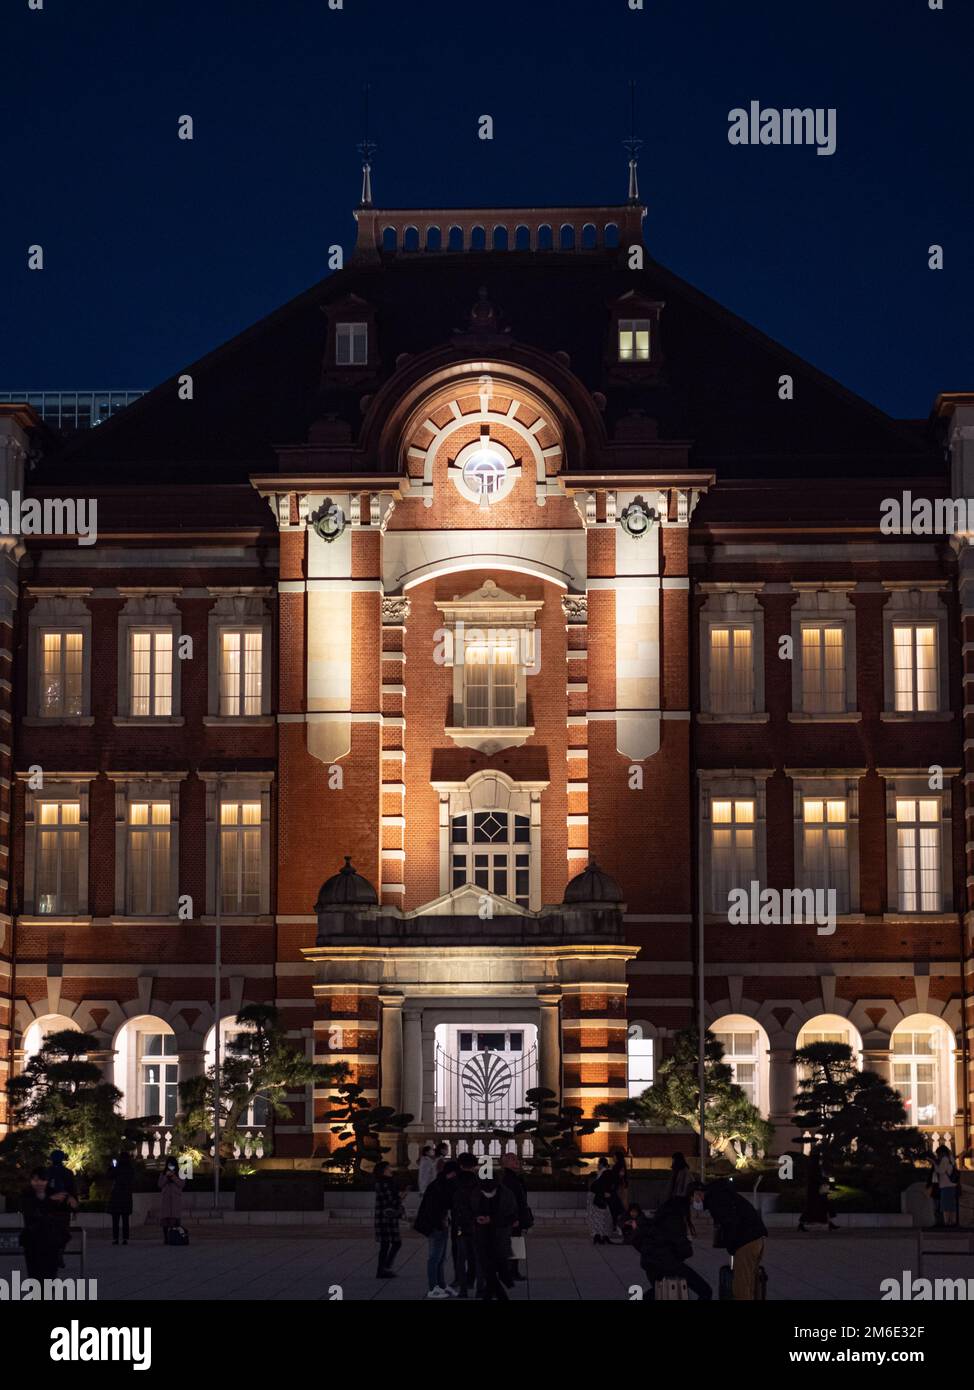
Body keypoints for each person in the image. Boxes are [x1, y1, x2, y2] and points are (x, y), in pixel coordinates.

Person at [632, 1195, 713, 1300]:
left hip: (650, 1263)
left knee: (660, 1290)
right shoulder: (674, 1219)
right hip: (668, 1263)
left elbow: (637, 1241)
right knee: (705, 1291)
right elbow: (683, 1248)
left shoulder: (656, 1221)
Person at [698, 1179, 767, 1300]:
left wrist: (731, 1245)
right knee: (750, 1283)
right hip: (757, 1239)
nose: (694, 1203)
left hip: (746, 1242)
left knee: (741, 1287)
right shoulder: (723, 1194)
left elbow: (729, 1223)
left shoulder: (716, 1199)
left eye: (692, 1198)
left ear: (699, 1193)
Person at [414, 1159, 458, 1298]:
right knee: (435, 1258)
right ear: (452, 1173)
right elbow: (436, 1207)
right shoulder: (441, 1186)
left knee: (440, 1258)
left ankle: (441, 1285)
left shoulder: (440, 1183)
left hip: (439, 1224)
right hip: (436, 1225)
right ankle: (433, 1288)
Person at [470, 1174, 517, 1301]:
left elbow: (512, 1217)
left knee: (496, 1267)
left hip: (500, 1236)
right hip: (481, 1237)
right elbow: (468, 1212)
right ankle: (500, 1296)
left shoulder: (507, 1195)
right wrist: (476, 1218)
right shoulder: (475, 1193)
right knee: (487, 1269)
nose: (487, 1194)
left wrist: (492, 1220)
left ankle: (489, 1295)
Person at [19, 1168, 64, 1280]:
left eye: (42, 1180)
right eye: (35, 1180)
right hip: (33, 1241)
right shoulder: (27, 1194)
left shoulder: (53, 1193)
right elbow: (29, 1212)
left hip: (51, 1241)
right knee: (35, 1276)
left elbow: (60, 1213)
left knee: (49, 1276)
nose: (38, 1183)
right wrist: (47, 1201)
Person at [450, 1152, 481, 1297]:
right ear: (474, 1165)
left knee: (460, 1257)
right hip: (476, 1223)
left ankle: (462, 1288)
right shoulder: (479, 1181)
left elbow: (448, 1201)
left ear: (460, 1165)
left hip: (459, 1223)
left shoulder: (453, 1181)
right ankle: (475, 1283)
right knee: (476, 1255)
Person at [500, 1152, 532, 1282]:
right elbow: (509, 1201)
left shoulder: (514, 1178)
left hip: (516, 1217)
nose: (517, 1161)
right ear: (506, 1163)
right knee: (512, 1244)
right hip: (512, 1219)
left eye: (516, 1159)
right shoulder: (508, 1179)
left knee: (516, 1243)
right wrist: (513, 1218)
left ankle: (513, 1271)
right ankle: (510, 1272)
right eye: (513, 1160)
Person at [45, 1149, 78, 1268]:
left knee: (49, 1233)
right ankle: (59, 1253)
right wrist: (74, 1208)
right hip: (64, 1208)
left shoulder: (46, 1172)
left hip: (49, 1207)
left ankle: (53, 1255)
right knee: (64, 1233)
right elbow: (72, 1190)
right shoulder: (67, 1173)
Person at [373, 1161, 404, 1278]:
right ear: (383, 1171)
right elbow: (389, 1201)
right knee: (389, 1244)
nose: (391, 1169)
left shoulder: (386, 1182)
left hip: (387, 1217)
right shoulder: (384, 1183)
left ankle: (384, 1268)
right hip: (385, 1218)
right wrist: (400, 1199)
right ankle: (383, 1269)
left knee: (390, 1244)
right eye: (388, 1168)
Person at [798, 1147, 838, 1232]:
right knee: (819, 1206)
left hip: (814, 1190)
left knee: (820, 1206)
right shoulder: (814, 1165)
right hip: (815, 1190)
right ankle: (829, 1223)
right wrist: (824, 1180)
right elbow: (815, 1177)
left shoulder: (812, 1164)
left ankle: (830, 1223)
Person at [930, 1144, 961, 1229]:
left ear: (941, 1152)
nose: (937, 1155)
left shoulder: (944, 1159)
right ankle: (953, 1222)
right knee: (951, 1205)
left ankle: (947, 1222)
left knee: (945, 1205)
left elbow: (940, 1170)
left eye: (938, 1153)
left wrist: (933, 1163)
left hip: (946, 1185)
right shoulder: (951, 1159)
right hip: (952, 1185)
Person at [108, 1151, 135, 1246]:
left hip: (116, 1196)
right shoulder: (130, 1168)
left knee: (115, 1220)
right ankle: (125, 1238)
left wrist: (112, 1166)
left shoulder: (117, 1168)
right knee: (125, 1219)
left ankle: (115, 1238)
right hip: (126, 1196)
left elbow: (109, 1176)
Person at [587, 1157, 616, 1245]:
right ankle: (601, 1235)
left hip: (599, 1197)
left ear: (601, 1164)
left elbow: (602, 1186)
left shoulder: (605, 1173)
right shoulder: (604, 1173)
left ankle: (599, 1235)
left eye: (598, 1164)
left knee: (599, 1217)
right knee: (602, 1217)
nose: (597, 1166)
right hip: (599, 1196)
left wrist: (605, 1192)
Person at [157, 1156, 185, 1244]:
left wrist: (173, 1177)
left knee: (175, 1219)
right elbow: (160, 1184)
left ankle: (175, 1237)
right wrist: (166, 1177)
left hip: (175, 1199)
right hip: (166, 1199)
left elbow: (182, 1184)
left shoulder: (180, 1173)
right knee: (165, 1220)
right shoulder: (163, 1173)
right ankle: (166, 1238)